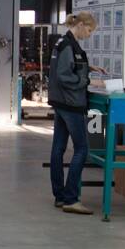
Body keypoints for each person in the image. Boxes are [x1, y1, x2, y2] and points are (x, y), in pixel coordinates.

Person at [47, 11, 106, 214]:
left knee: (59, 149)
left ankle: (60, 197)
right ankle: (71, 199)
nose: (89, 35)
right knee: (82, 149)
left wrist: (89, 68)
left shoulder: (66, 43)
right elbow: (64, 76)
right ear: (80, 24)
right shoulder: (67, 45)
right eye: (89, 30)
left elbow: (71, 65)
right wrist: (89, 81)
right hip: (70, 104)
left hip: (62, 103)